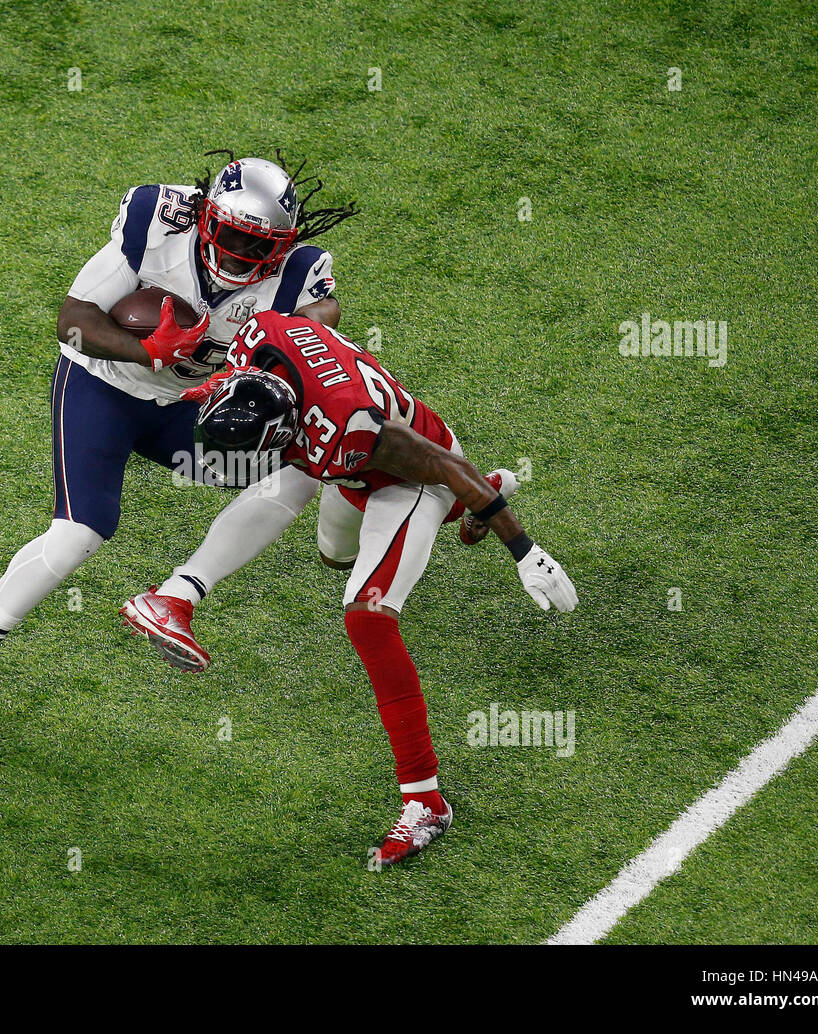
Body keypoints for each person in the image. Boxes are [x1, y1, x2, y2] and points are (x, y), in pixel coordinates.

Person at [127, 310, 578, 863]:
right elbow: (311, 320)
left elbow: (438, 462)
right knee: (333, 557)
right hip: (347, 461)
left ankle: (425, 800)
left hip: (414, 478)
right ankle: (479, 497)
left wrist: (524, 551)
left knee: (367, 615)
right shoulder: (258, 337)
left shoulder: (347, 425)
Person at [0, 155, 356, 728]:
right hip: (103, 387)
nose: (239, 257)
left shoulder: (300, 275)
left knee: (308, 460)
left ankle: (180, 596)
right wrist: (146, 350)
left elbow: (319, 317)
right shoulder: (159, 221)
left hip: (188, 408)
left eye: (258, 248)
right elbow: (74, 320)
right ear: (206, 218)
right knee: (81, 532)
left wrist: (294, 336)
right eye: (230, 237)